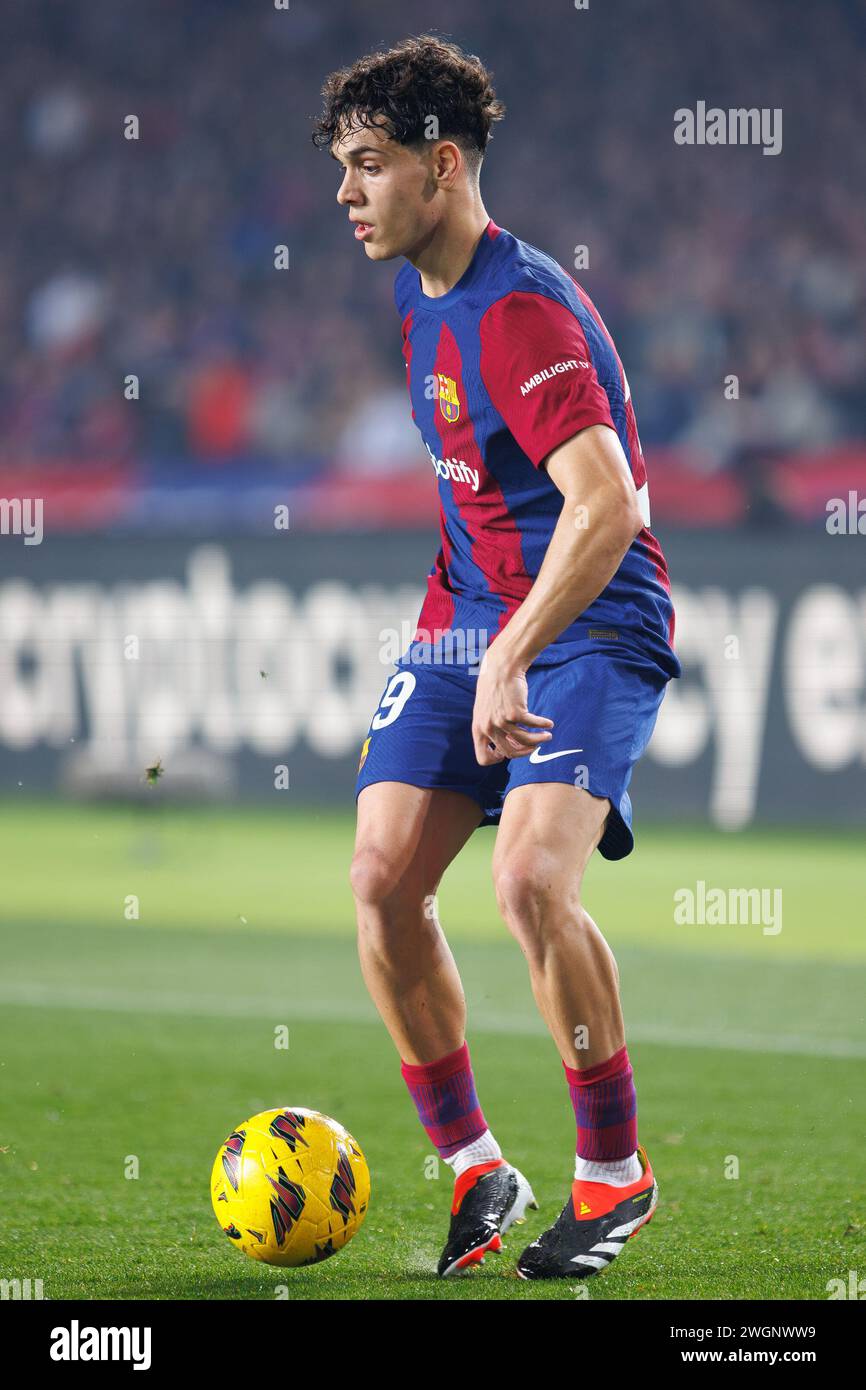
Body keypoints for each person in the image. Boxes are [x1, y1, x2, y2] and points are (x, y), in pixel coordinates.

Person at [313, 33, 680, 1279]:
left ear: (444, 164)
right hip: (472, 614)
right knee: (378, 882)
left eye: (369, 166)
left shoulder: (519, 312)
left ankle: (612, 1174)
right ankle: (478, 1169)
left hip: (589, 620)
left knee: (525, 883)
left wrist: (514, 650)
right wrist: (467, 638)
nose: (347, 192)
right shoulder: (417, 300)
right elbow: (483, 495)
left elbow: (608, 505)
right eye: (342, 167)